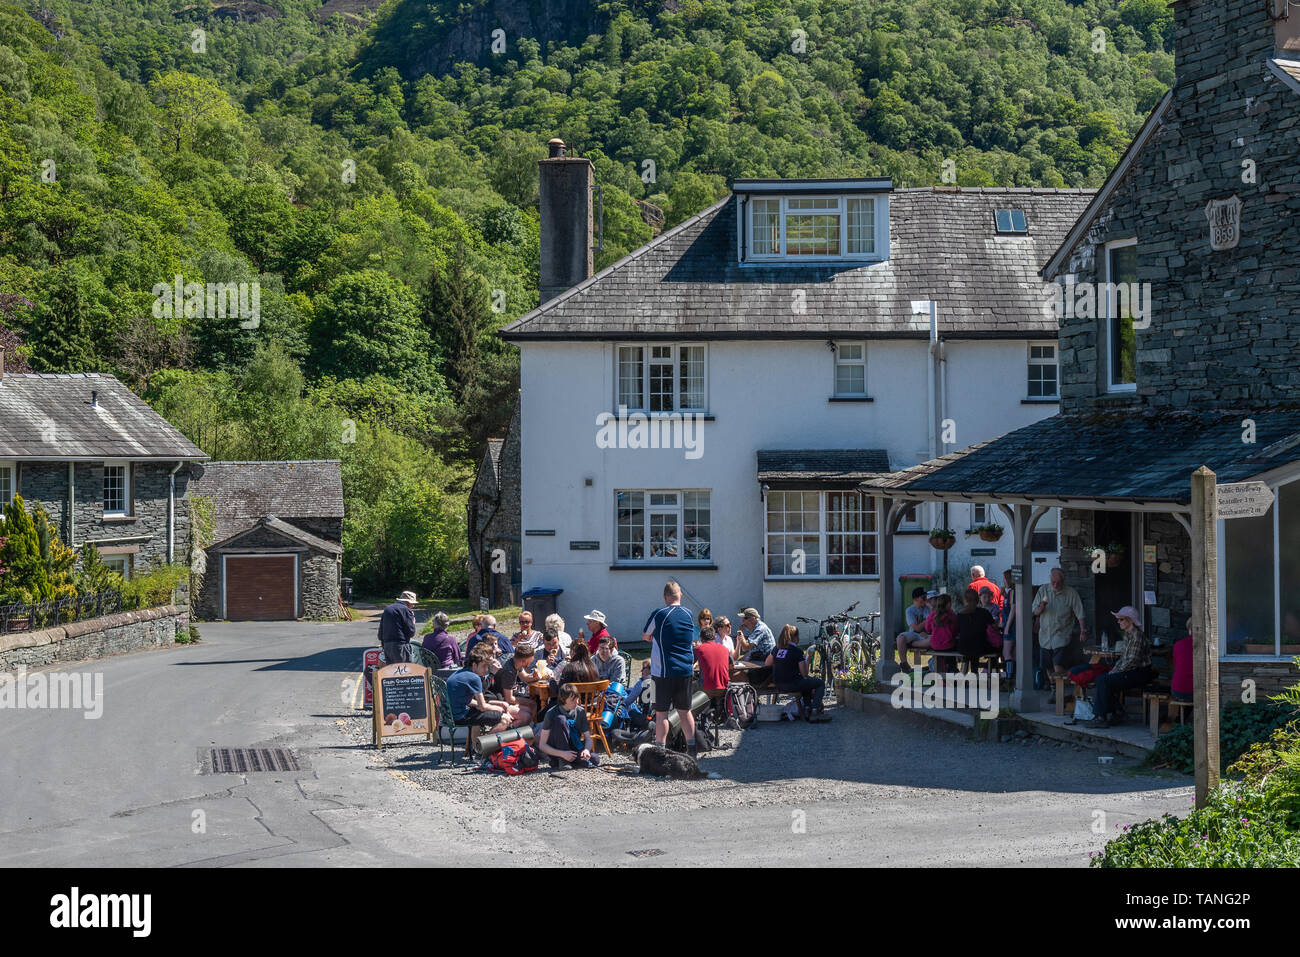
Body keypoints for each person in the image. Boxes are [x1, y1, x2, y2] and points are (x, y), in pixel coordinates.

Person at [642, 581, 699, 757]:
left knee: (661, 714)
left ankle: (660, 750)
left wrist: (655, 639)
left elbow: (645, 636)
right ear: (680, 596)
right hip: (685, 670)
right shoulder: (689, 614)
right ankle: (692, 749)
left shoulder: (659, 614)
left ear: (665, 597)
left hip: (663, 672)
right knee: (685, 711)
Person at [1087, 606, 1153, 728]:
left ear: (1130, 621)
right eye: (1119, 619)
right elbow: (1123, 659)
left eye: (1121, 619)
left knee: (1104, 680)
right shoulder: (1128, 635)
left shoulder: (1137, 636)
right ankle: (1116, 712)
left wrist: (1116, 672)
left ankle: (1102, 716)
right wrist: (1114, 670)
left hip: (1139, 673)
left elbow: (1132, 660)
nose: (1118, 622)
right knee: (1102, 679)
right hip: (1130, 670)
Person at [446, 647, 513, 738]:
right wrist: (497, 709)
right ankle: (483, 746)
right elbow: (483, 707)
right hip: (460, 716)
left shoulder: (459, 673)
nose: (486, 670)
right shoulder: (474, 678)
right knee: (505, 719)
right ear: (474, 665)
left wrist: (486, 706)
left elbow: (468, 701)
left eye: (487, 667)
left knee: (479, 717)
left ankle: (476, 748)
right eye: (484, 666)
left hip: (450, 716)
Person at [1033, 568, 1087, 680]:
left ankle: (1060, 689)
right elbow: (1034, 611)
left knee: (1058, 665)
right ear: (1050, 579)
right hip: (1045, 636)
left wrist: (1083, 630)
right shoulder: (1043, 590)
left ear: (1063, 581)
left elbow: (1079, 612)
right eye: (1053, 582)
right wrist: (1041, 607)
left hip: (1062, 634)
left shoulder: (1071, 593)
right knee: (1048, 666)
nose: (1056, 585)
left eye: (1059, 582)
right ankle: (1054, 688)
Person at [766, 624, 829, 721]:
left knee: (806, 683)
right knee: (819, 683)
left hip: (778, 683)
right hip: (792, 684)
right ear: (795, 637)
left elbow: (767, 663)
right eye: (798, 636)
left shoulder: (777, 648)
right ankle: (815, 711)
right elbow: (804, 673)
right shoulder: (797, 651)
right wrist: (808, 659)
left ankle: (807, 708)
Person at [538, 683, 599, 769]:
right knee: (561, 719)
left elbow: (588, 738)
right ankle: (562, 760)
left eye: (577, 698)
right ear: (563, 700)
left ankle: (569, 760)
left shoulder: (580, 711)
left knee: (595, 759)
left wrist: (586, 750)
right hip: (558, 749)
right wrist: (562, 754)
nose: (576, 702)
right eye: (572, 700)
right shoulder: (551, 713)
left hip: (573, 746)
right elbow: (542, 745)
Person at [956, 587, 1000, 672]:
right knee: (998, 650)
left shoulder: (960, 615)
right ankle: (990, 672)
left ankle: (971, 674)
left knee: (971, 649)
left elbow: (957, 631)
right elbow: (995, 626)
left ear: (965, 601)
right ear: (978, 599)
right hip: (980, 646)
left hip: (963, 647)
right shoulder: (984, 612)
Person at [895, 587, 932, 670]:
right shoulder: (909, 610)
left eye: (926, 597)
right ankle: (904, 664)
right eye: (923, 597)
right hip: (915, 634)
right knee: (900, 637)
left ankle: (931, 666)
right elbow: (917, 628)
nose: (926, 599)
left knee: (934, 639)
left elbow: (933, 624)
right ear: (916, 599)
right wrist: (928, 619)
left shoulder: (928, 608)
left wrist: (931, 609)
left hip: (927, 635)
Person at [377, 591, 418, 664]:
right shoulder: (406, 610)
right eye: (413, 604)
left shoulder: (387, 609)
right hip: (400, 645)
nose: (413, 606)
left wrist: (383, 644)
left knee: (392, 672)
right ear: (408, 602)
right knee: (403, 671)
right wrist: (413, 623)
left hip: (387, 645)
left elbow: (381, 630)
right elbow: (411, 632)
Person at [926, 594, 959, 673]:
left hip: (935, 646)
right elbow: (956, 631)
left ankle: (940, 671)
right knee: (952, 650)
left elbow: (928, 629)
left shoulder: (933, 615)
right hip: (949, 646)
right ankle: (951, 669)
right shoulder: (952, 616)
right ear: (948, 604)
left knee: (940, 654)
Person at [694, 626, 731, 692]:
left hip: (706, 687)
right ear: (715, 637)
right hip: (725, 688)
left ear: (701, 639)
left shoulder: (698, 649)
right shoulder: (725, 649)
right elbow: (732, 666)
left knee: (687, 687)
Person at [1000, 569, 1017, 683]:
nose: (1004, 581)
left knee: (1006, 653)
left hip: (1010, 626)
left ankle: (1008, 677)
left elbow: (1013, 609)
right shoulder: (1010, 592)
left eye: (1005, 579)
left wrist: (1007, 627)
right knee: (1014, 653)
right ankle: (1014, 678)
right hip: (1011, 625)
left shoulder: (1013, 593)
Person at [1171, 625, 1193, 704]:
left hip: (1177, 690)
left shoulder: (1178, 644)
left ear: (1190, 630)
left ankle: (1180, 716)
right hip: (1194, 691)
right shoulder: (1204, 645)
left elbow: (1176, 665)